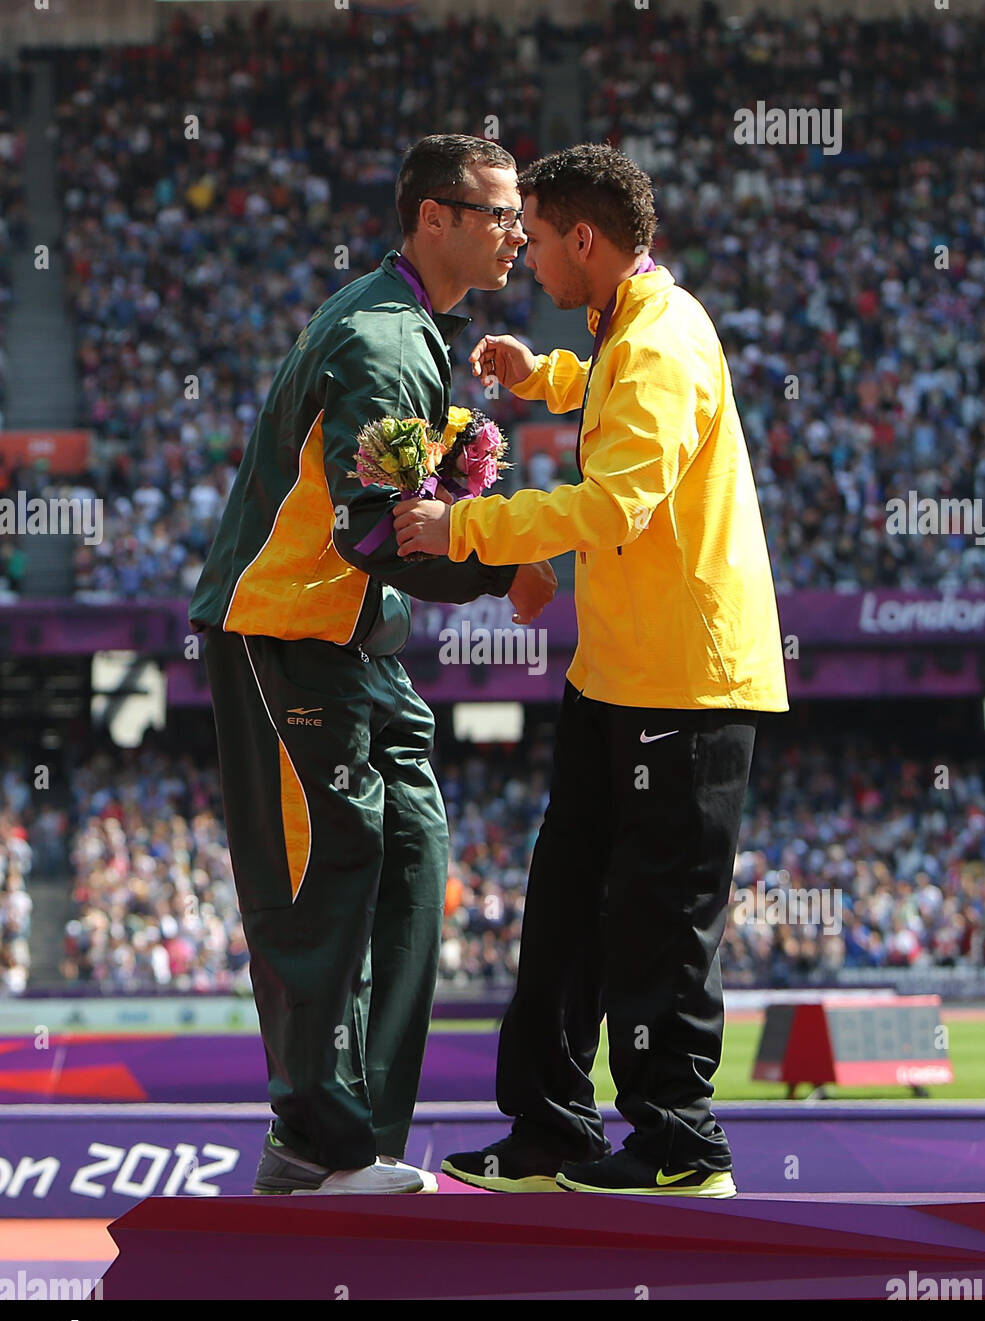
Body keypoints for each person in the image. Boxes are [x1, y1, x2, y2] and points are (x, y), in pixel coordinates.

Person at [394, 144, 789, 1196]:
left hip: (684, 681)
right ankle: (550, 1130)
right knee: (566, 898)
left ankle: (679, 1146)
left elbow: (618, 502)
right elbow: (610, 389)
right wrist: (544, 377)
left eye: (534, 231)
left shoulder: (659, 342)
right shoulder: (625, 332)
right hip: (617, 671)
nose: (521, 250)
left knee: (655, 914)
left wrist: (466, 526)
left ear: (585, 240)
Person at [189, 134, 556, 1196]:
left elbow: (390, 528)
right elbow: (373, 531)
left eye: (516, 217)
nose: (512, 234)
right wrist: (500, 562)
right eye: (495, 214)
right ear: (430, 217)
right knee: (322, 877)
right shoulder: (384, 339)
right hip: (288, 631)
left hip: (354, 641)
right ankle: (317, 1141)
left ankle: (361, 1142)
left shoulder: (416, 329)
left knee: (410, 863)